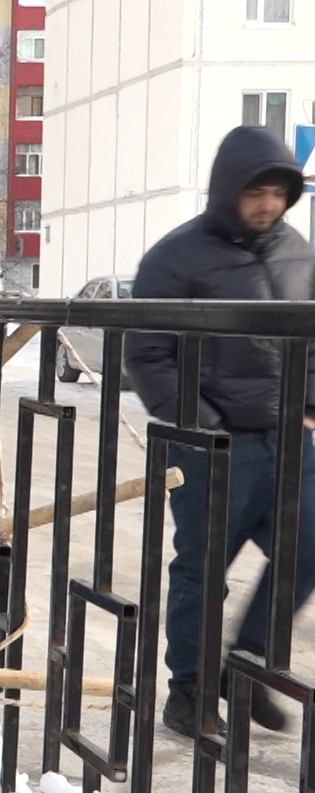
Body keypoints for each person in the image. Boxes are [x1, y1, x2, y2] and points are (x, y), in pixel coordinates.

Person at [124, 124, 315, 740]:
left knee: (307, 544)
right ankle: (190, 692)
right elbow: (148, 353)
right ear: (229, 189)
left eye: (279, 193)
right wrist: (202, 426)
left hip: (288, 439)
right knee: (203, 569)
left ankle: (248, 664)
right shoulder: (176, 257)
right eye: (256, 191)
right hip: (212, 444)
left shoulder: (300, 254)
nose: (268, 204)